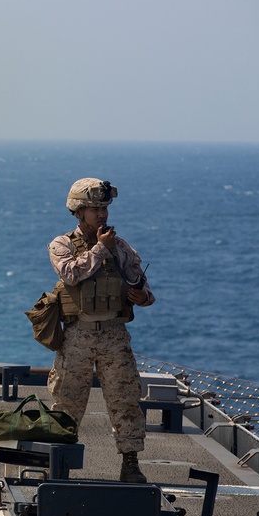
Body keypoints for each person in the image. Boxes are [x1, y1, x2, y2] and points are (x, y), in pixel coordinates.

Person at [47, 178, 155, 484]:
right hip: (77, 334)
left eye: (104, 207)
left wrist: (141, 297)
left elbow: (145, 290)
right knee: (67, 401)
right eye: (95, 208)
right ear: (78, 212)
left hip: (113, 335)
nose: (102, 214)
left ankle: (130, 464)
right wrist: (99, 249)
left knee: (125, 399)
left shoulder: (120, 248)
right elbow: (71, 273)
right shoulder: (62, 244)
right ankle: (60, 464)